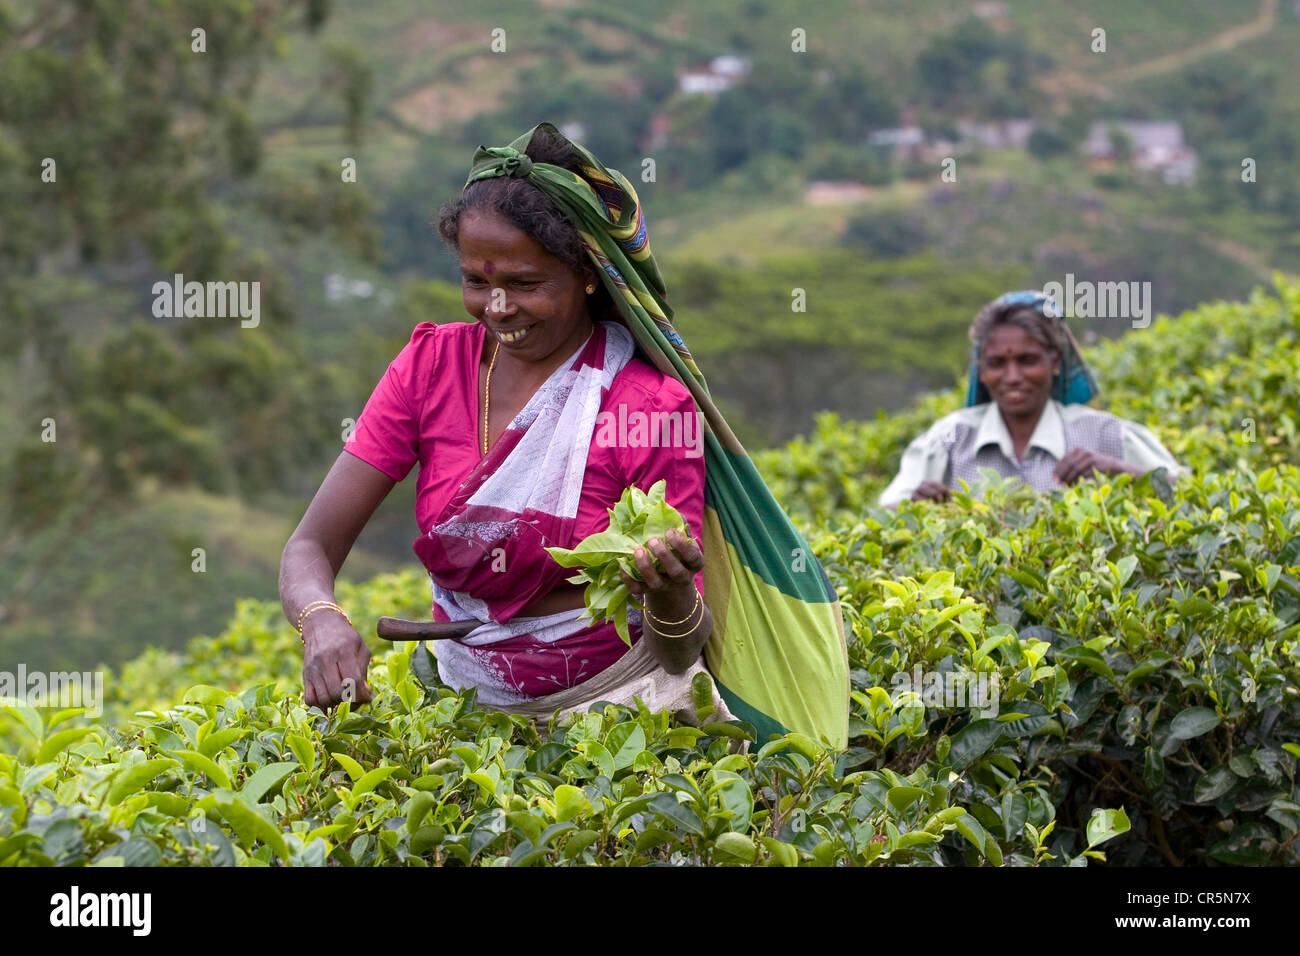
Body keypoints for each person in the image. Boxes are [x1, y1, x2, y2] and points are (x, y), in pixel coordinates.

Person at [279, 124, 726, 722]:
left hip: (624, 717)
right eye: (476, 281)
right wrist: (321, 620)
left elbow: (680, 646)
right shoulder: (430, 367)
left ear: (587, 274)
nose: (496, 308)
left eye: (524, 284)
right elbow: (309, 546)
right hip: (465, 715)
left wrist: (669, 588)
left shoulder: (647, 407)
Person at [878, 290, 1185, 508]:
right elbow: (885, 513)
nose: (1012, 376)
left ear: (1054, 361)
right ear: (981, 371)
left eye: (1027, 360)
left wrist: (1115, 470)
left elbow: (1188, 496)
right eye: (997, 363)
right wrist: (918, 506)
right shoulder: (949, 438)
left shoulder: (1105, 435)